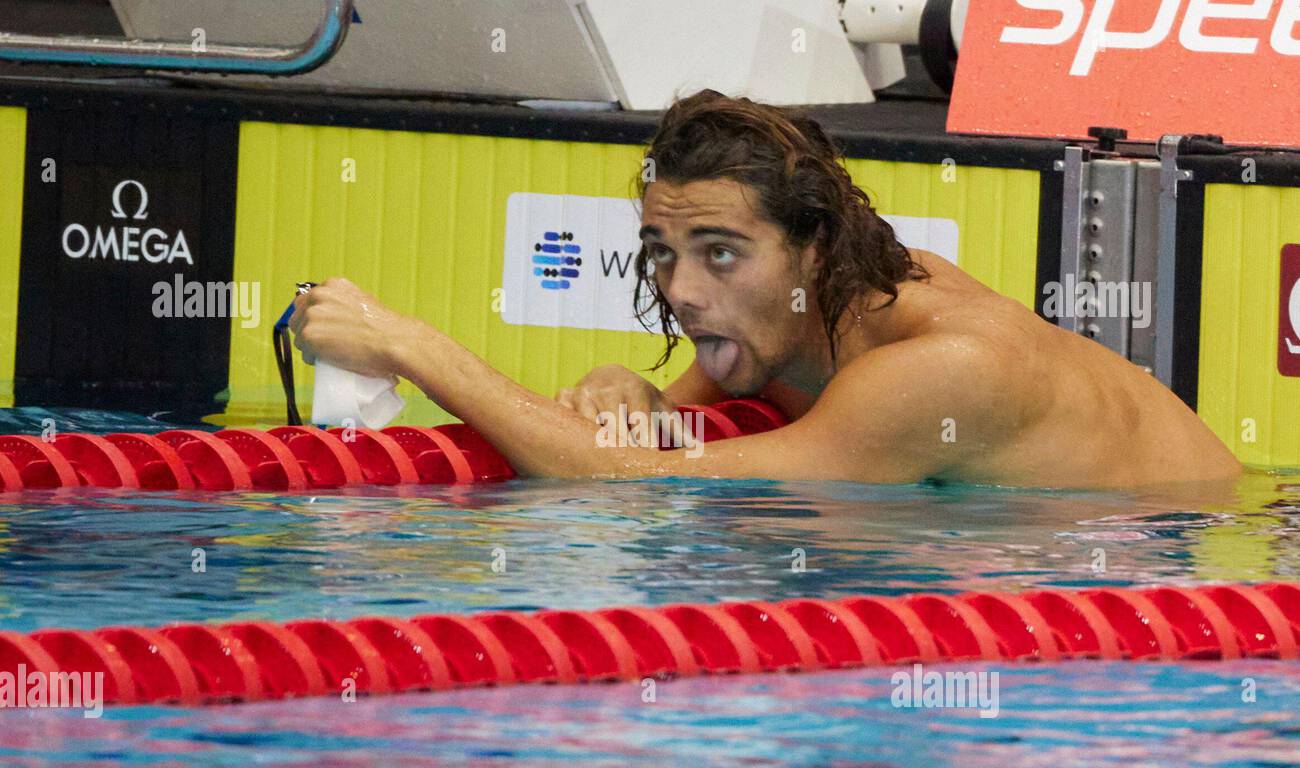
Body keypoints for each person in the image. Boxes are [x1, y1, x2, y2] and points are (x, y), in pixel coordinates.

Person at [290, 90, 1242, 489]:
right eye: (663, 252)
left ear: (814, 248)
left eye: (720, 253)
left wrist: (414, 346)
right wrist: (641, 393)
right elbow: (637, 440)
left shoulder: (939, 369)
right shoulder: (797, 326)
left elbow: (638, 483)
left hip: (1181, 560)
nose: (684, 291)